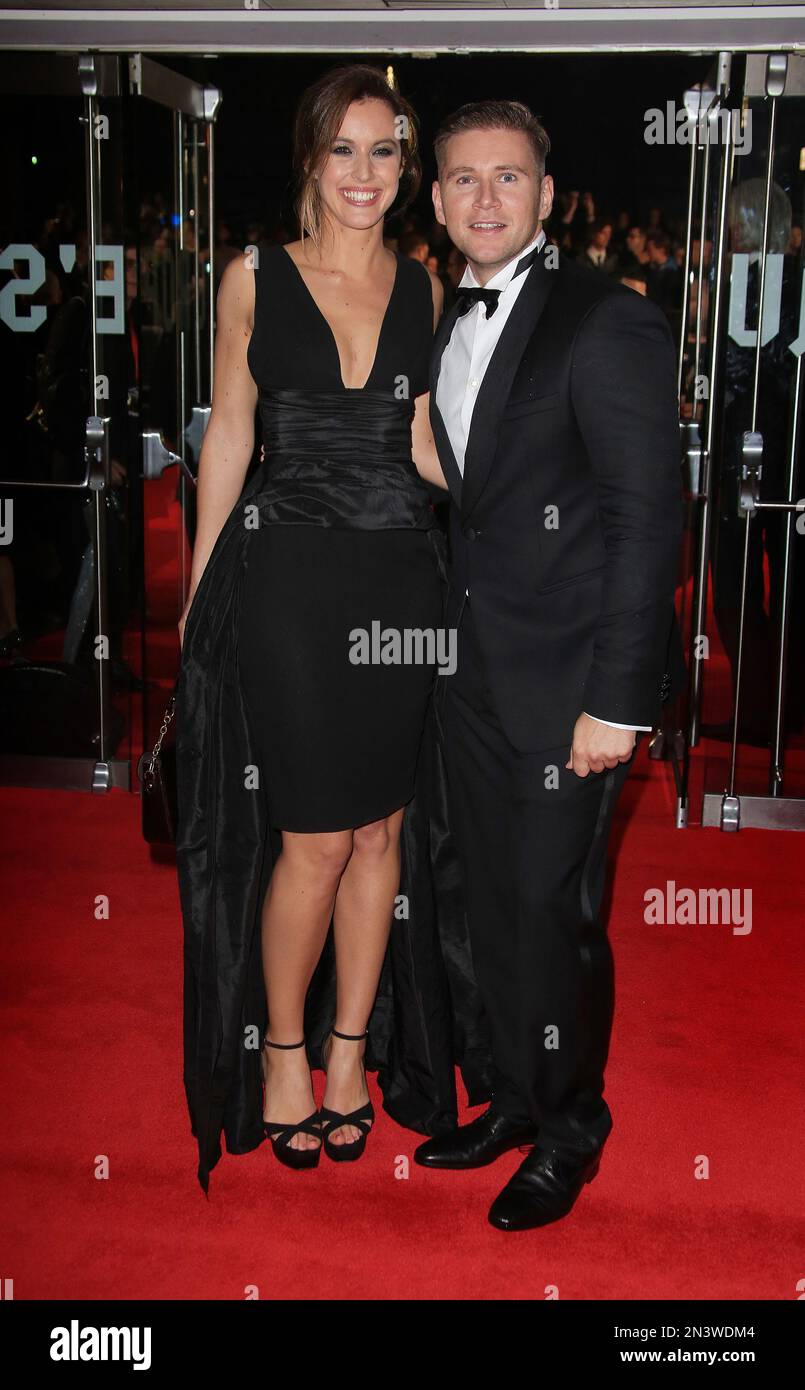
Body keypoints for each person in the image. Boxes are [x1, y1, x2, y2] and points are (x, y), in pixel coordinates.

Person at [175, 64, 465, 1193]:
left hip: (401, 580)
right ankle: (281, 1053)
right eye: (342, 148)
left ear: (405, 168)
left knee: (381, 834)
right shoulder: (253, 275)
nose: (363, 171)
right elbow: (230, 435)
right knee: (313, 839)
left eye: (383, 150)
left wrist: (526, 489)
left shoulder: (426, 287)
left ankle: (351, 1051)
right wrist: (202, 592)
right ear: (310, 159)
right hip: (289, 581)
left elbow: (425, 444)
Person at [414, 100, 684, 1230]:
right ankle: (515, 1097)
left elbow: (645, 519)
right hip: (469, 675)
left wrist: (616, 700)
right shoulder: (441, 317)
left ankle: (571, 1128)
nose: (485, 198)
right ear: (436, 198)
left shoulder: (603, 319)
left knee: (549, 907)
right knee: (483, 899)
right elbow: (478, 492)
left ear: (547, 195)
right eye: (463, 178)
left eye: (508, 177)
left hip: (570, 685)